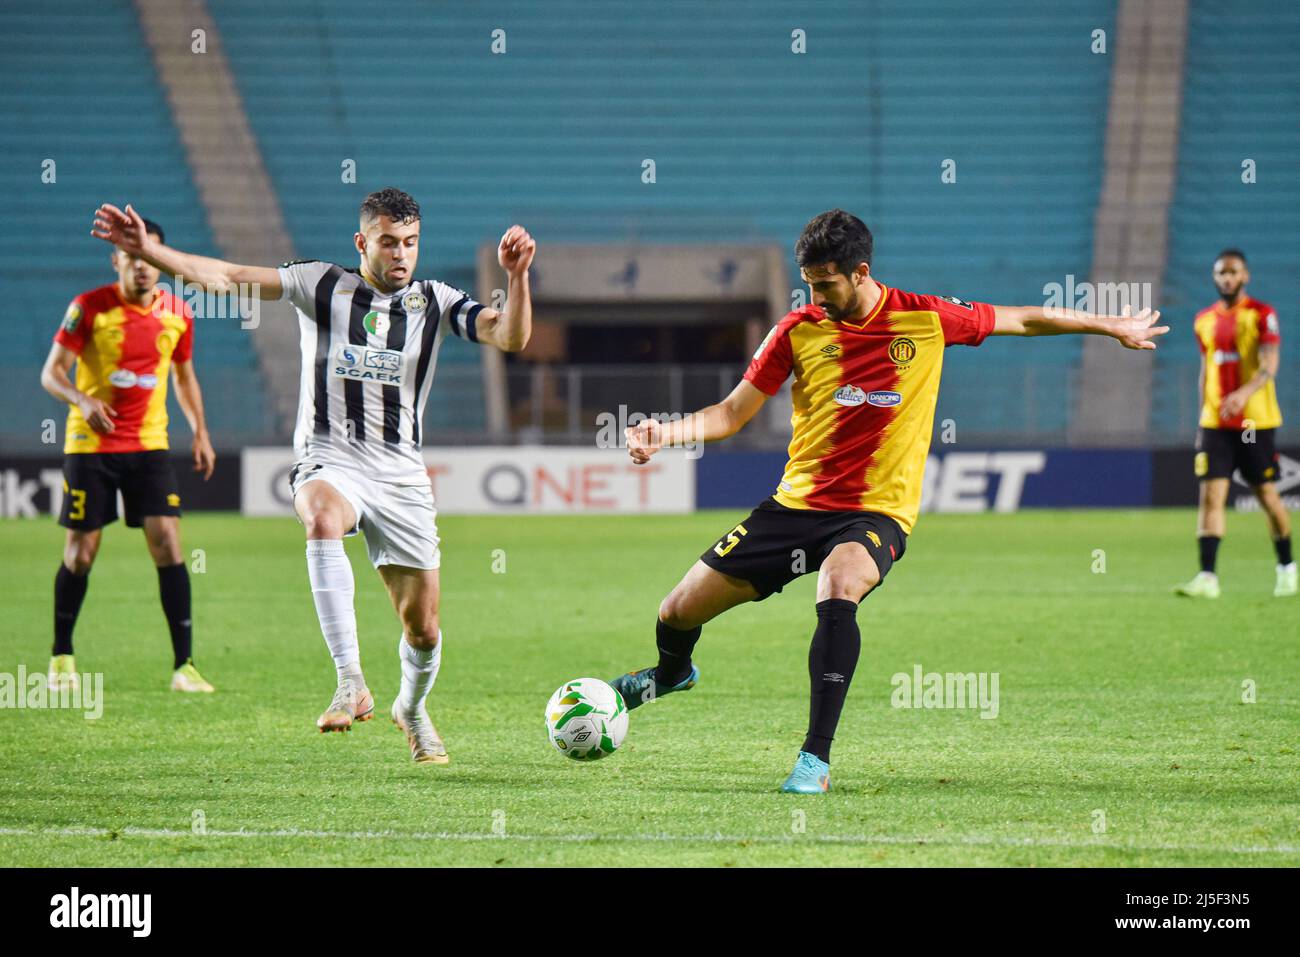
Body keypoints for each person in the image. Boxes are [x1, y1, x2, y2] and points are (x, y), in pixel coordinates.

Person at [612, 209, 1167, 793]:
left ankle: (814, 761)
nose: (815, 296)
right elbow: (730, 414)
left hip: (875, 511)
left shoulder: (924, 318)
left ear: (861, 272)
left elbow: (1024, 319)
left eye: (826, 283)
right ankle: (672, 674)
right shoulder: (797, 330)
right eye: (808, 284)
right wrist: (665, 433)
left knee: (838, 584)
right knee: (677, 611)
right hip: (794, 506)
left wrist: (1109, 326)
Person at [90, 189, 535, 763]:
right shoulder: (320, 284)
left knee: (422, 629)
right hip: (331, 457)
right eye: (388, 242)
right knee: (322, 518)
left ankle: (411, 708)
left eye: (410, 243)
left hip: (401, 474)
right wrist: (150, 251)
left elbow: (510, 337)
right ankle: (350, 680)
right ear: (362, 242)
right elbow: (226, 277)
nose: (401, 254)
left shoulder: (436, 300)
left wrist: (516, 277)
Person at [41, 216, 217, 693]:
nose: (141, 266)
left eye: (149, 257)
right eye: (132, 257)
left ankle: (184, 666)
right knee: (81, 553)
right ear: (116, 259)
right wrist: (81, 400)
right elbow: (52, 373)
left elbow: (184, 376)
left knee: (169, 544)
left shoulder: (177, 313)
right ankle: (61, 656)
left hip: (149, 446)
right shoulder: (89, 308)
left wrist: (200, 431)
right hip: (91, 446)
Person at [1174, 249, 1293, 599]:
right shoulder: (1203, 320)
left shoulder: (1262, 314)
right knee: (1211, 496)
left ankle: (1287, 568)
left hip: (1255, 421)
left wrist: (1243, 394)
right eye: (1221, 273)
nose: (1227, 278)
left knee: (1266, 494)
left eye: (1233, 272)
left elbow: (1270, 365)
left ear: (1245, 276)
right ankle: (1207, 577)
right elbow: (1206, 370)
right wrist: (1202, 418)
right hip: (1215, 423)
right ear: (1215, 278)